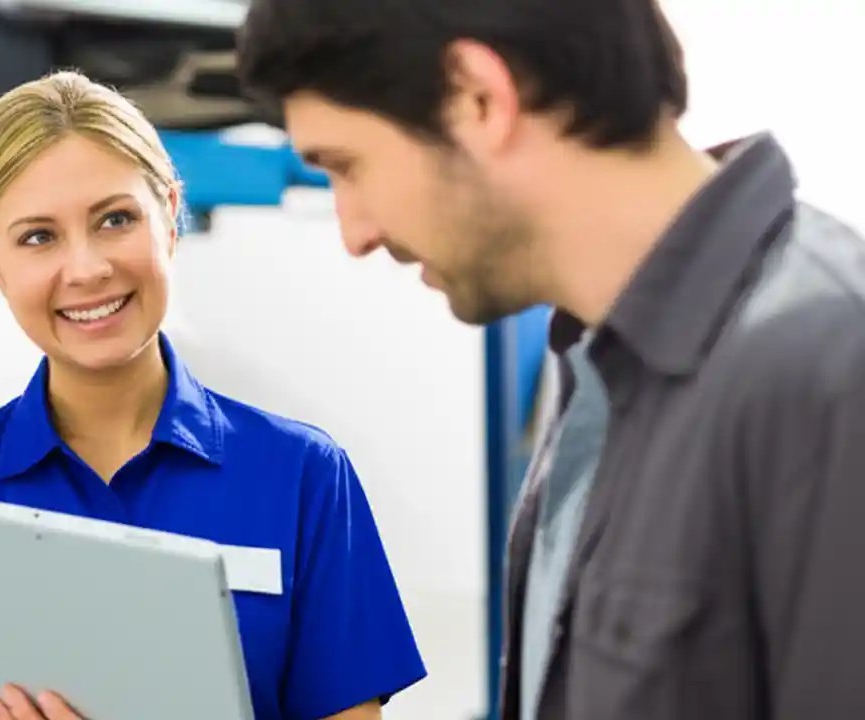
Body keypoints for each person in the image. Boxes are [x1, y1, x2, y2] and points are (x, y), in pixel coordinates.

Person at [237, 1, 865, 720]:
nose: (355, 232)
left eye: (346, 166)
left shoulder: (828, 364)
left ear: (477, 97)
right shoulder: (598, 368)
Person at [0, 70, 427, 720]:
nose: (87, 269)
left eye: (115, 219)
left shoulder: (303, 479)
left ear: (170, 217)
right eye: (38, 237)